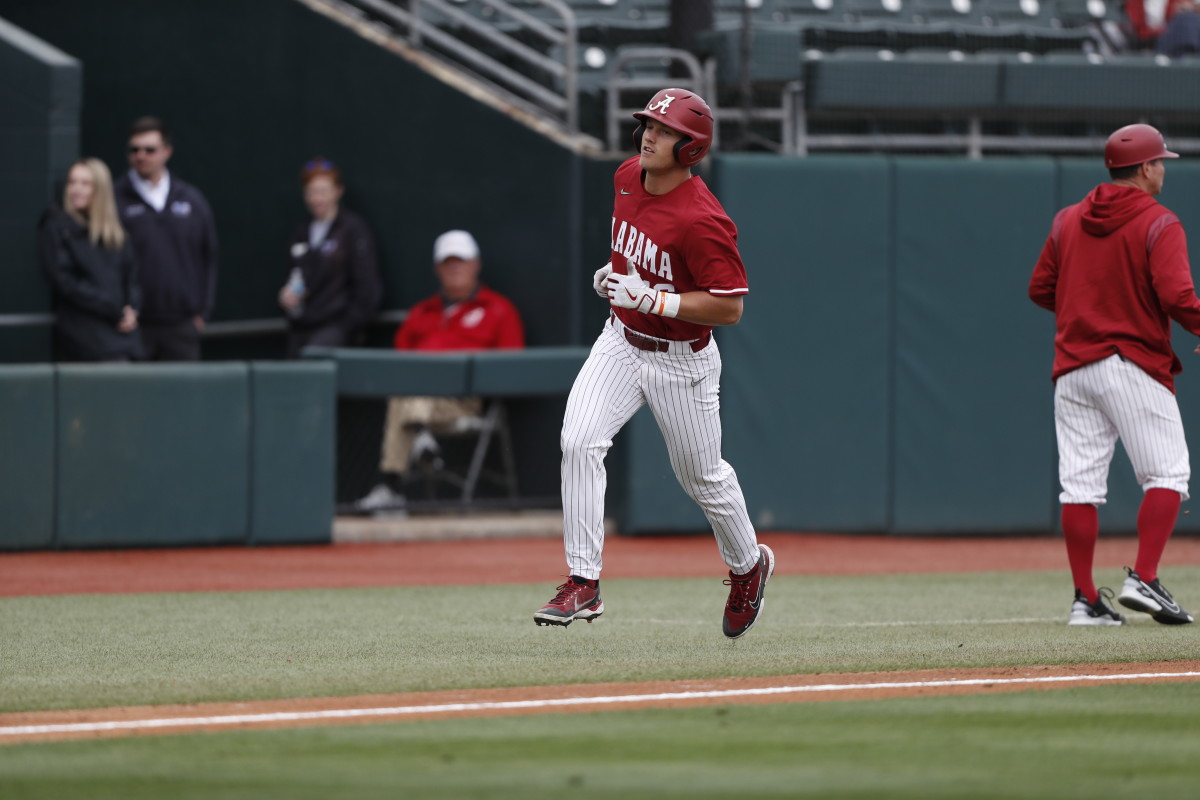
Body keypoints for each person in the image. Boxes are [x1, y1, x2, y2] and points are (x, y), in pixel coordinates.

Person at [534, 88, 774, 640]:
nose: (650, 135)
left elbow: (730, 306)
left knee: (703, 478)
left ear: (690, 148)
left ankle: (747, 566)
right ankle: (583, 583)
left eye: (665, 131)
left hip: (681, 362)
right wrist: (614, 273)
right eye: (649, 124)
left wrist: (658, 300)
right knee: (579, 441)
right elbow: (641, 251)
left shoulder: (703, 218)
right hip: (620, 340)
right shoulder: (625, 176)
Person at [1029, 122, 1198, 627]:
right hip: (1131, 362)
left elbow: (1041, 288)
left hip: (1073, 368)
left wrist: (1090, 304)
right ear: (1145, 168)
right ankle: (1144, 577)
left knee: (1079, 487)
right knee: (1168, 474)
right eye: (1160, 161)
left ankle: (1085, 600)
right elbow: (1177, 296)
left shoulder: (1068, 219)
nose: (1163, 168)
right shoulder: (1159, 221)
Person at [354, 229, 525, 513]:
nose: (455, 268)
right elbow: (399, 365)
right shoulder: (421, 312)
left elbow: (510, 367)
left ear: (476, 264)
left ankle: (391, 485)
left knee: (403, 398)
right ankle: (419, 437)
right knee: (405, 393)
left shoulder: (499, 310)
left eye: (461, 261)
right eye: (448, 262)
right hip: (417, 397)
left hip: (463, 403)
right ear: (438, 268)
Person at [114, 116, 218, 361]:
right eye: (134, 149)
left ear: (166, 152)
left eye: (150, 149)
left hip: (183, 325)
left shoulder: (192, 199)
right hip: (134, 327)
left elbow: (209, 256)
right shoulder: (114, 198)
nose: (141, 155)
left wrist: (203, 312)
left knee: (184, 398)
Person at [39, 158, 142, 362]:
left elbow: (132, 275)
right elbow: (66, 282)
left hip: (124, 338)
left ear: (100, 189)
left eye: (85, 184)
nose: (76, 189)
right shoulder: (56, 226)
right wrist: (114, 311)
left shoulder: (116, 232)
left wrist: (132, 308)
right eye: (72, 182)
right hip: (84, 339)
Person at [278, 158, 382, 358]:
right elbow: (296, 278)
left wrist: (346, 328)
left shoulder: (353, 230)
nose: (316, 199)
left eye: (322, 191)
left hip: (335, 333)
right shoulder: (301, 232)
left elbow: (367, 289)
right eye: (311, 192)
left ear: (337, 191)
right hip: (300, 331)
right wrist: (286, 297)